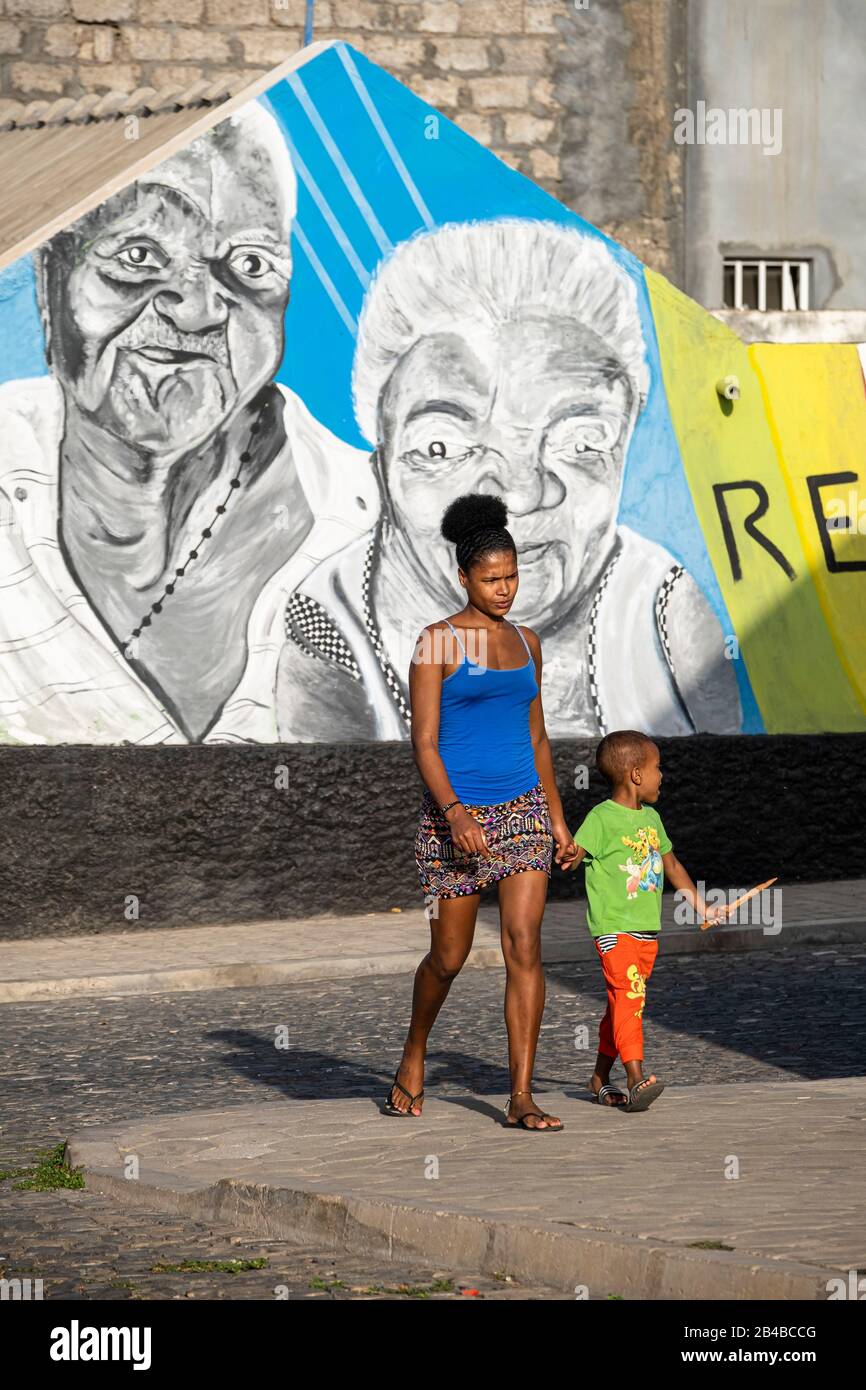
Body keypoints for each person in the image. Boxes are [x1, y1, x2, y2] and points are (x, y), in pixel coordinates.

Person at [0, 99, 377, 746]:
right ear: (48, 279)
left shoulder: (379, 526)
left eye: (252, 265)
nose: (200, 308)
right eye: (140, 255)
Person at [278, 217, 742, 742]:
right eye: (441, 447)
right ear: (382, 467)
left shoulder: (664, 615)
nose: (520, 494)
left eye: (581, 443)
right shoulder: (333, 626)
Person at [383, 491, 580, 1131]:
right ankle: (414, 1052)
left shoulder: (528, 643)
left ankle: (520, 1096)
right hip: (454, 819)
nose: (504, 589)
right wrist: (456, 814)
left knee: (526, 946)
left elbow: (539, 738)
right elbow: (424, 741)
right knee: (450, 955)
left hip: (522, 808)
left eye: (512, 576)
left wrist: (556, 819)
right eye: (491, 579)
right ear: (463, 577)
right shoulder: (436, 643)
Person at [566, 729, 723, 1110]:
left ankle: (600, 1077)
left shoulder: (652, 818)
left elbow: (670, 863)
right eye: (657, 768)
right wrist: (567, 852)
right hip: (613, 929)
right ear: (636, 774)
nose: (662, 775)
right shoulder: (601, 818)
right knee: (630, 996)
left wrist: (702, 907)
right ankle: (636, 1077)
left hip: (646, 931)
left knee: (622, 1002)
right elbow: (574, 854)